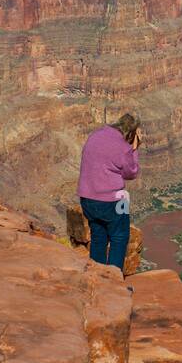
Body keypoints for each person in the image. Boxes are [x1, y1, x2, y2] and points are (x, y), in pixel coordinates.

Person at [77, 113, 141, 273]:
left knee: (98, 237)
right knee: (120, 237)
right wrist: (134, 148)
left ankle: (97, 279)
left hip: (87, 199)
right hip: (114, 200)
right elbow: (131, 173)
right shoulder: (123, 147)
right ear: (131, 132)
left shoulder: (96, 135)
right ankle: (114, 282)